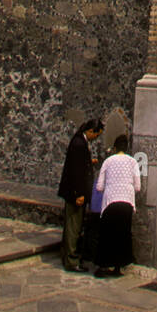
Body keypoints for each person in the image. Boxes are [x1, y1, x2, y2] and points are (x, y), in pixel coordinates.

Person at [57, 117, 104, 272]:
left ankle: (68, 257)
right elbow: (76, 172)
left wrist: (90, 163)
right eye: (96, 135)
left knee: (73, 226)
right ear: (90, 131)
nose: (96, 138)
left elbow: (80, 165)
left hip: (76, 192)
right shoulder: (79, 144)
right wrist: (79, 194)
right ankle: (71, 261)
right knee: (73, 227)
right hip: (75, 193)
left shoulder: (80, 142)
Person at [93, 134, 142, 278]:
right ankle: (118, 267)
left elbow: (100, 186)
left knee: (107, 234)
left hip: (111, 201)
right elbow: (138, 187)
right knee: (123, 234)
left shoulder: (108, 161)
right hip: (127, 202)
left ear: (114, 147)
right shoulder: (133, 162)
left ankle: (103, 265)